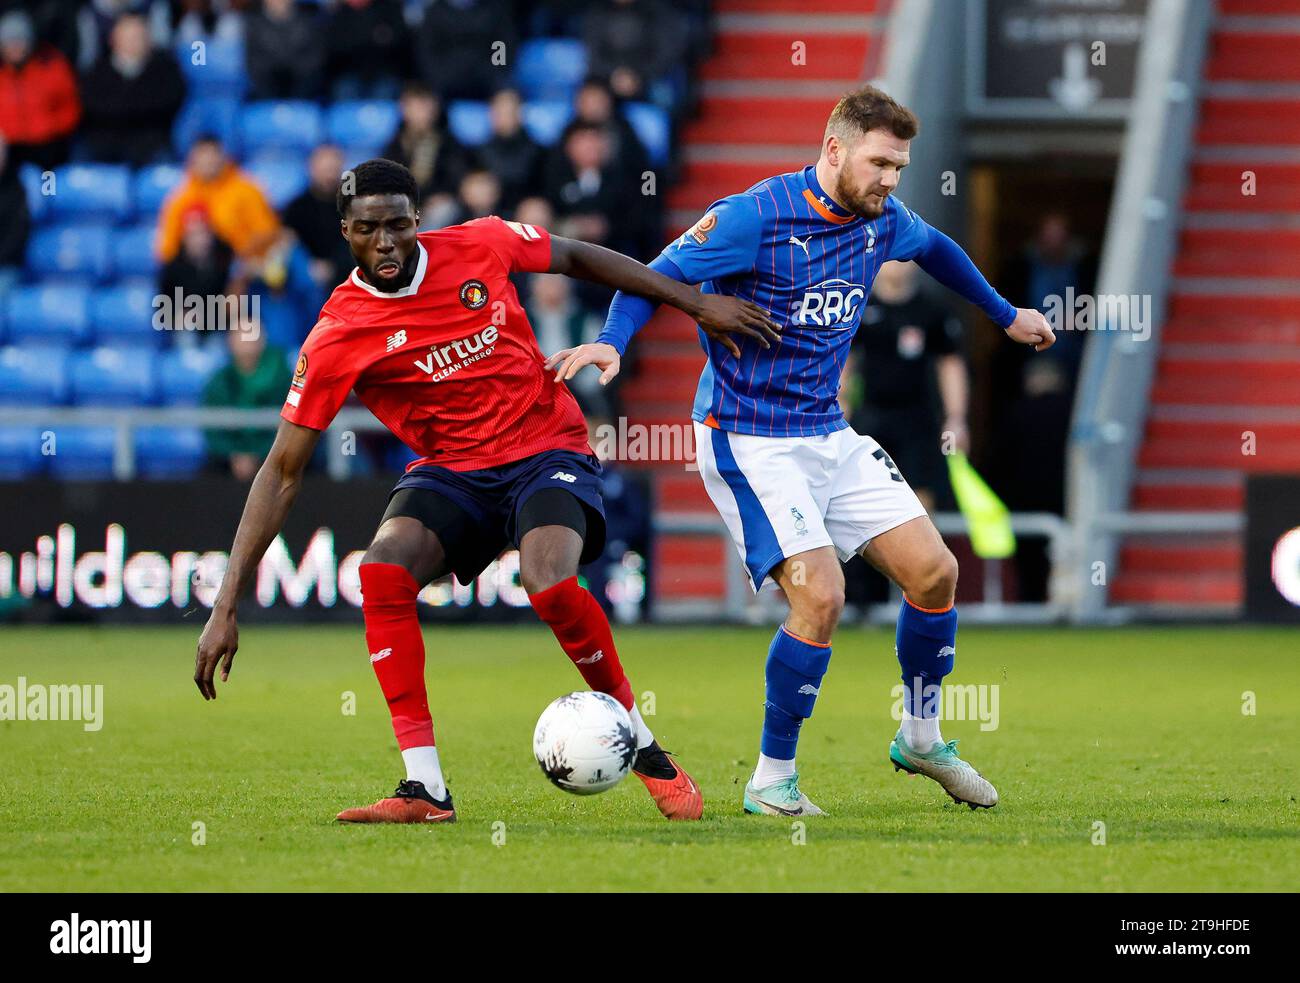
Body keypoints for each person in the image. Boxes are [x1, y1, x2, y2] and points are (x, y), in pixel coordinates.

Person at [192, 159, 778, 824]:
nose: (383, 243)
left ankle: (645, 747)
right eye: (366, 230)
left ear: (417, 221)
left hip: (546, 447)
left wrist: (694, 300)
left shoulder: (481, 242)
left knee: (550, 581)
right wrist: (226, 601)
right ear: (346, 231)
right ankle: (425, 789)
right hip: (456, 471)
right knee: (382, 571)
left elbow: (580, 258)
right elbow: (281, 470)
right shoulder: (337, 334)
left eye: (396, 226)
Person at [553, 85, 1055, 816]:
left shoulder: (881, 222)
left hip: (828, 432)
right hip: (748, 438)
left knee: (936, 572)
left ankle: (920, 736)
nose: (890, 180)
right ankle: (771, 780)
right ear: (834, 150)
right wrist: (612, 341)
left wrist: (1005, 315)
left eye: (899, 167)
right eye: (880, 163)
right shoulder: (754, 216)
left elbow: (939, 248)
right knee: (821, 595)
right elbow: (654, 273)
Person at [844, 260, 967, 514]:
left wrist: (956, 418)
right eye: (891, 257)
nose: (897, 265)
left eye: (904, 258)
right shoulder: (860, 305)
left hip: (917, 419)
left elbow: (950, 364)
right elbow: (845, 360)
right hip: (870, 415)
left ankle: (919, 552)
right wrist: (840, 403)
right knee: (864, 495)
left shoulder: (931, 308)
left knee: (920, 495)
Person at [79, 12, 186, 166]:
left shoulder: (166, 69)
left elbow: (168, 104)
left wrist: (121, 108)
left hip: (152, 144)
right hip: (104, 146)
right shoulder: (97, 71)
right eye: (128, 37)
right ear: (113, 40)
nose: (134, 43)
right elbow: (92, 108)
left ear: (149, 40)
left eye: (139, 37)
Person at [156, 136, 281, 263]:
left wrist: (241, 255)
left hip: (245, 265)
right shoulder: (180, 199)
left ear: (223, 158)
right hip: (198, 271)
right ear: (192, 162)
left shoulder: (247, 190)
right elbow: (168, 250)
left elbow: (268, 233)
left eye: (212, 157)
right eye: (203, 159)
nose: (209, 163)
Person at [201, 318, 288, 480]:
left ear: (263, 339)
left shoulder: (281, 377)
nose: (246, 340)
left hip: (274, 458)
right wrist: (234, 454)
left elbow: (290, 425)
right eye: (240, 334)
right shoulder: (219, 381)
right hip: (226, 464)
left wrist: (259, 454)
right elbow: (211, 428)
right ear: (230, 341)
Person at [0, 10, 80, 170]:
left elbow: (70, 106)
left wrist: (53, 129)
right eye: (9, 42)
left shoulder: (51, 66)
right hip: (8, 149)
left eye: (20, 41)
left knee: (48, 187)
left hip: (47, 147)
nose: (15, 47)